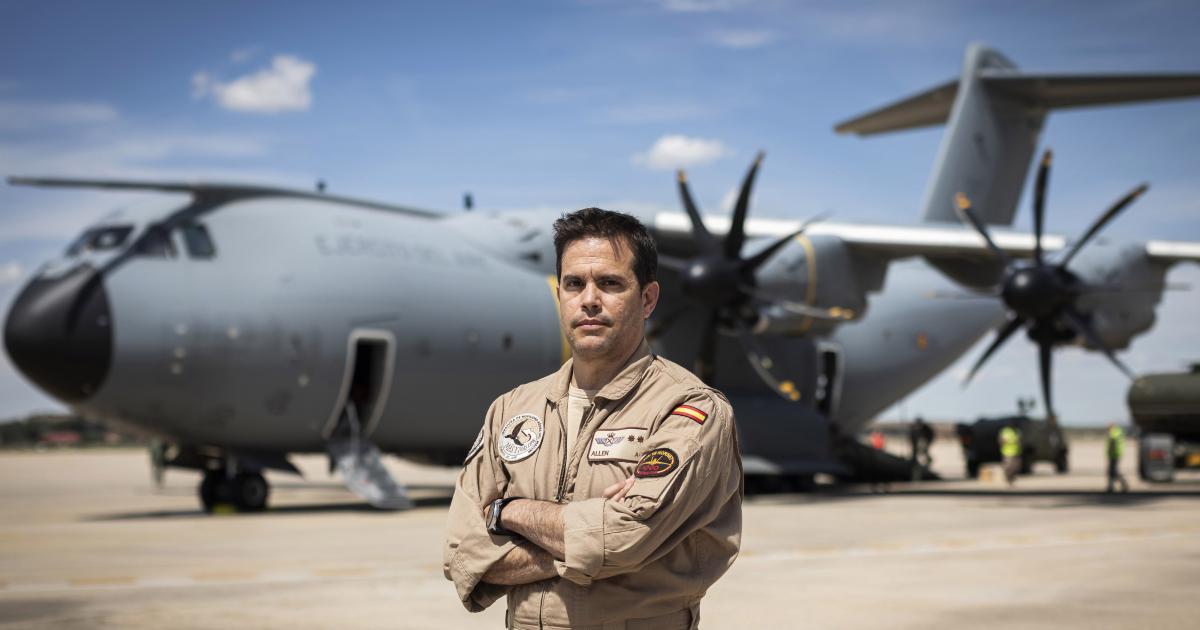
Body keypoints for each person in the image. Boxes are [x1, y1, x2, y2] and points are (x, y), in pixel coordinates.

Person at [443, 208, 743, 629]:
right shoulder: (512, 409)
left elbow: (621, 539)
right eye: (574, 284)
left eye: (610, 283)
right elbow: (463, 555)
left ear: (648, 299)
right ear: (560, 294)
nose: (589, 300)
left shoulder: (689, 410)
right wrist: (587, 541)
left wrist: (508, 511)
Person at [1106, 423, 1129, 493]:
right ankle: (1111, 487)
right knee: (1111, 472)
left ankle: (1123, 484)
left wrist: (1111, 450)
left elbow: (1113, 440)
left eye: (1109, 428)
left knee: (1114, 472)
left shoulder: (1115, 433)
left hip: (1115, 454)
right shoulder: (1117, 432)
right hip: (1114, 454)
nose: (1108, 430)